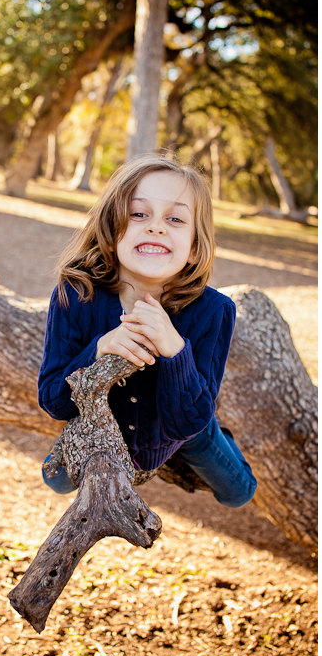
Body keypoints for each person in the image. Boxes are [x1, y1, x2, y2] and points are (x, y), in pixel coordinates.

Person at [38, 154, 257, 507]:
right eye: (138, 214)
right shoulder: (75, 293)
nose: (156, 227)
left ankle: (215, 439)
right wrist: (100, 349)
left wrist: (174, 349)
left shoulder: (214, 311)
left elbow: (189, 420)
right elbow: (53, 400)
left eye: (175, 218)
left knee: (237, 493)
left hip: (182, 431)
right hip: (102, 432)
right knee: (56, 480)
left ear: (194, 247)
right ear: (110, 234)